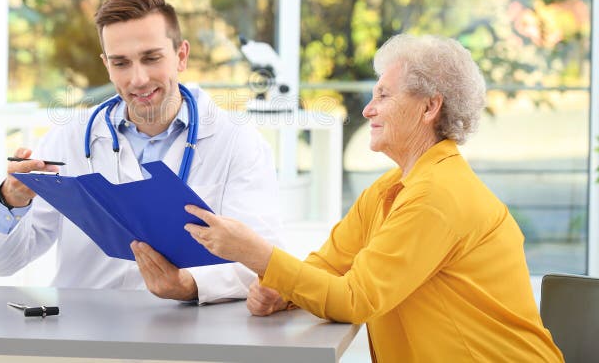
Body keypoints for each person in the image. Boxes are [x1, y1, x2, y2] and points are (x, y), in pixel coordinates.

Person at [184, 34, 564, 361]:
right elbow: (328, 266)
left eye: (383, 95)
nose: (367, 109)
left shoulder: (438, 195)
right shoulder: (389, 190)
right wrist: (282, 292)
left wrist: (255, 254)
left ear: (430, 107)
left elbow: (354, 300)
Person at [0, 0, 283, 304]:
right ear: (106, 65)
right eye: (121, 63)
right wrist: (13, 200)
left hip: (188, 331)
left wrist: (190, 285)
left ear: (181, 56)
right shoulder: (69, 138)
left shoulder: (237, 142)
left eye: (151, 58)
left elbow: (263, 262)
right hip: (83, 331)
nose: (138, 79)